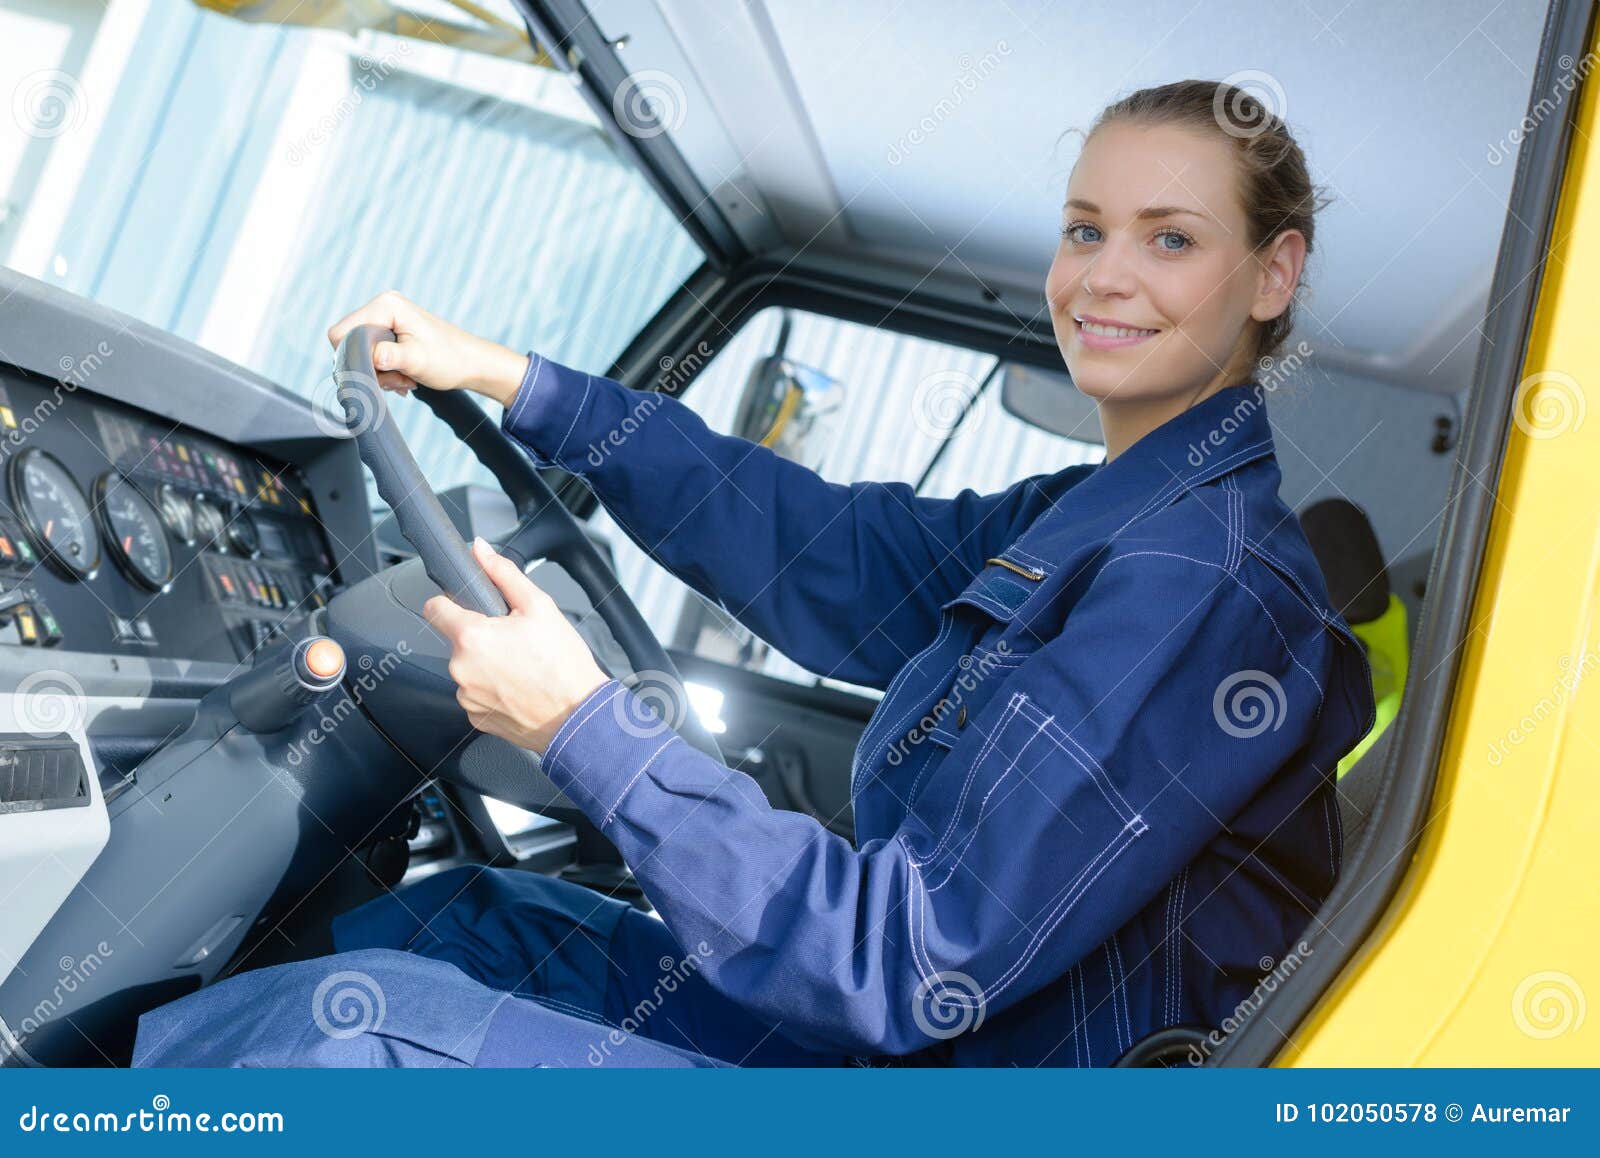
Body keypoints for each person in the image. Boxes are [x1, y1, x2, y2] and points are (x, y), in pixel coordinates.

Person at [132, 79, 1373, 1069]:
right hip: (903, 1050)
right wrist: (519, 380)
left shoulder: (1201, 584)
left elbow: (902, 961)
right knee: (464, 920)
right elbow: (830, 554)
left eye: (1170, 239)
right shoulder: (1099, 516)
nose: (1103, 276)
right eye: (1085, 229)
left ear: (1272, 273)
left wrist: (578, 723)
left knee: (339, 1041)